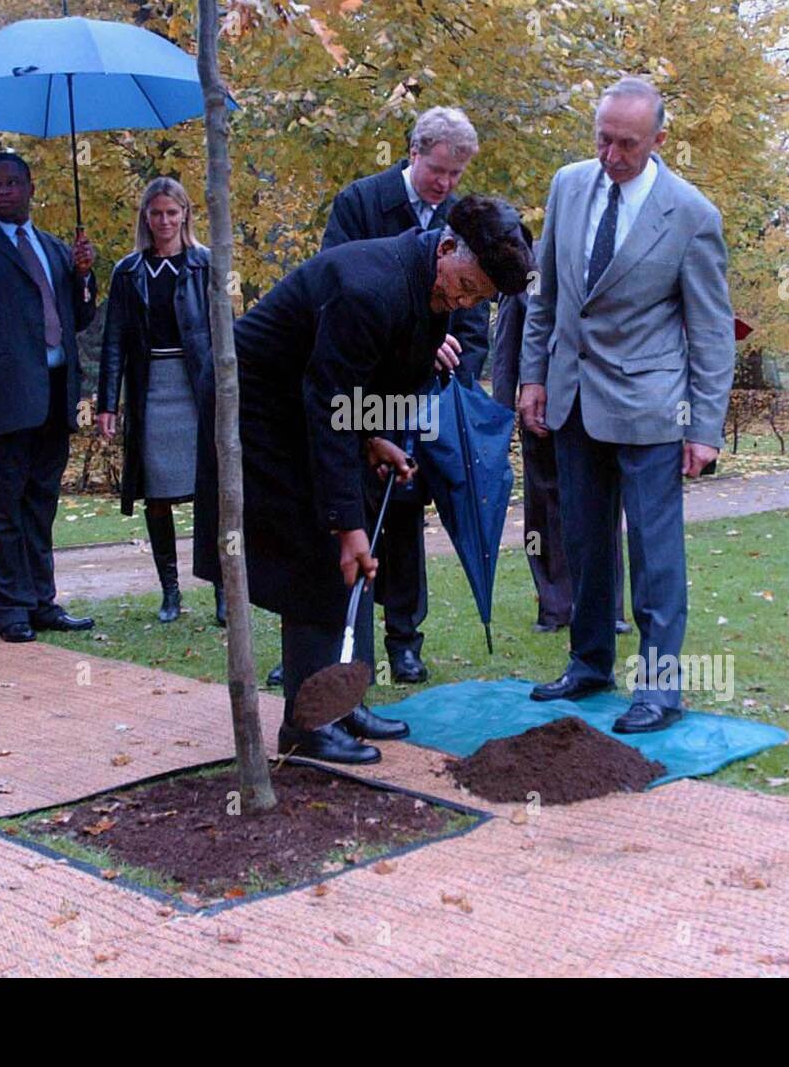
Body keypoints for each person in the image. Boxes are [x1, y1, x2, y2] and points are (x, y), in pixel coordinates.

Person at [195, 195, 535, 764]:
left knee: (358, 556)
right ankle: (308, 724)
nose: (465, 300)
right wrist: (344, 523)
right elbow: (328, 402)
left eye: (480, 298)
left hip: (312, 401)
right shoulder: (368, 287)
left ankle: (343, 700)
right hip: (254, 405)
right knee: (320, 549)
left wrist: (372, 436)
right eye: (467, 285)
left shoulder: (434, 285)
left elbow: (365, 388)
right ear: (447, 247)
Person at [519, 77, 735, 733]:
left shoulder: (692, 214)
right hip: (575, 399)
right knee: (583, 543)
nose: (612, 155)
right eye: (603, 139)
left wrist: (705, 426)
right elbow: (546, 293)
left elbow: (712, 328)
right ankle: (589, 663)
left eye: (628, 144)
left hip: (652, 407)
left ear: (660, 140)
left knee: (654, 552)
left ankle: (660, 689)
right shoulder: (567, 185)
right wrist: (533, 377)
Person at [290, 105, 485, 691]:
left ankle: (404, 639)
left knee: (403, 508)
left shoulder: (461, 220)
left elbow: (473, 317)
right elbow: (336, 286)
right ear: (415, 152)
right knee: (342, 508)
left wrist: (451, 351)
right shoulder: (361, 203)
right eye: (438, 171)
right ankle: (326, 638)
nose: (445, 186)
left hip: (423, 394)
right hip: (355, 386)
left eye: (456, 175)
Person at [0, 152, 98, 643]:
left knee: (39, 506)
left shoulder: (53, 249)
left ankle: (41, 602)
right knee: (0, 508)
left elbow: (79, 319)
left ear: (32, 188)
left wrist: (84, 276)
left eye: (12, 183)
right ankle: (10, 609)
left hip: (53, 397)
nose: (3, 191)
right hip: (0, 400)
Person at [97, 177, 224, 627]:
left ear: (185, 215)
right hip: (150, 386)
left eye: (173, 213)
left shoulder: (206, 264)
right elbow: (113, 341)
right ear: (145, 218)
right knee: (157, 494)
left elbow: (227, 331)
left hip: (198, 385)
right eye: (157, 213)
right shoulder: (129, 272)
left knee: (211, 491)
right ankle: (170, 591)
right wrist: (107, 404)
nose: (165, 221)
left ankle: (223, 589)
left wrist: (228, 390)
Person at [492, 290, 633, 635]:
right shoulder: (526, 277)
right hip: (541, 408)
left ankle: (609, 607)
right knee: (543, 507)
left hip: (600, 403)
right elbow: (507, 350)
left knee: (603, 505)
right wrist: (499, 416)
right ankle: (555, 606)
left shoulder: (604, 264)